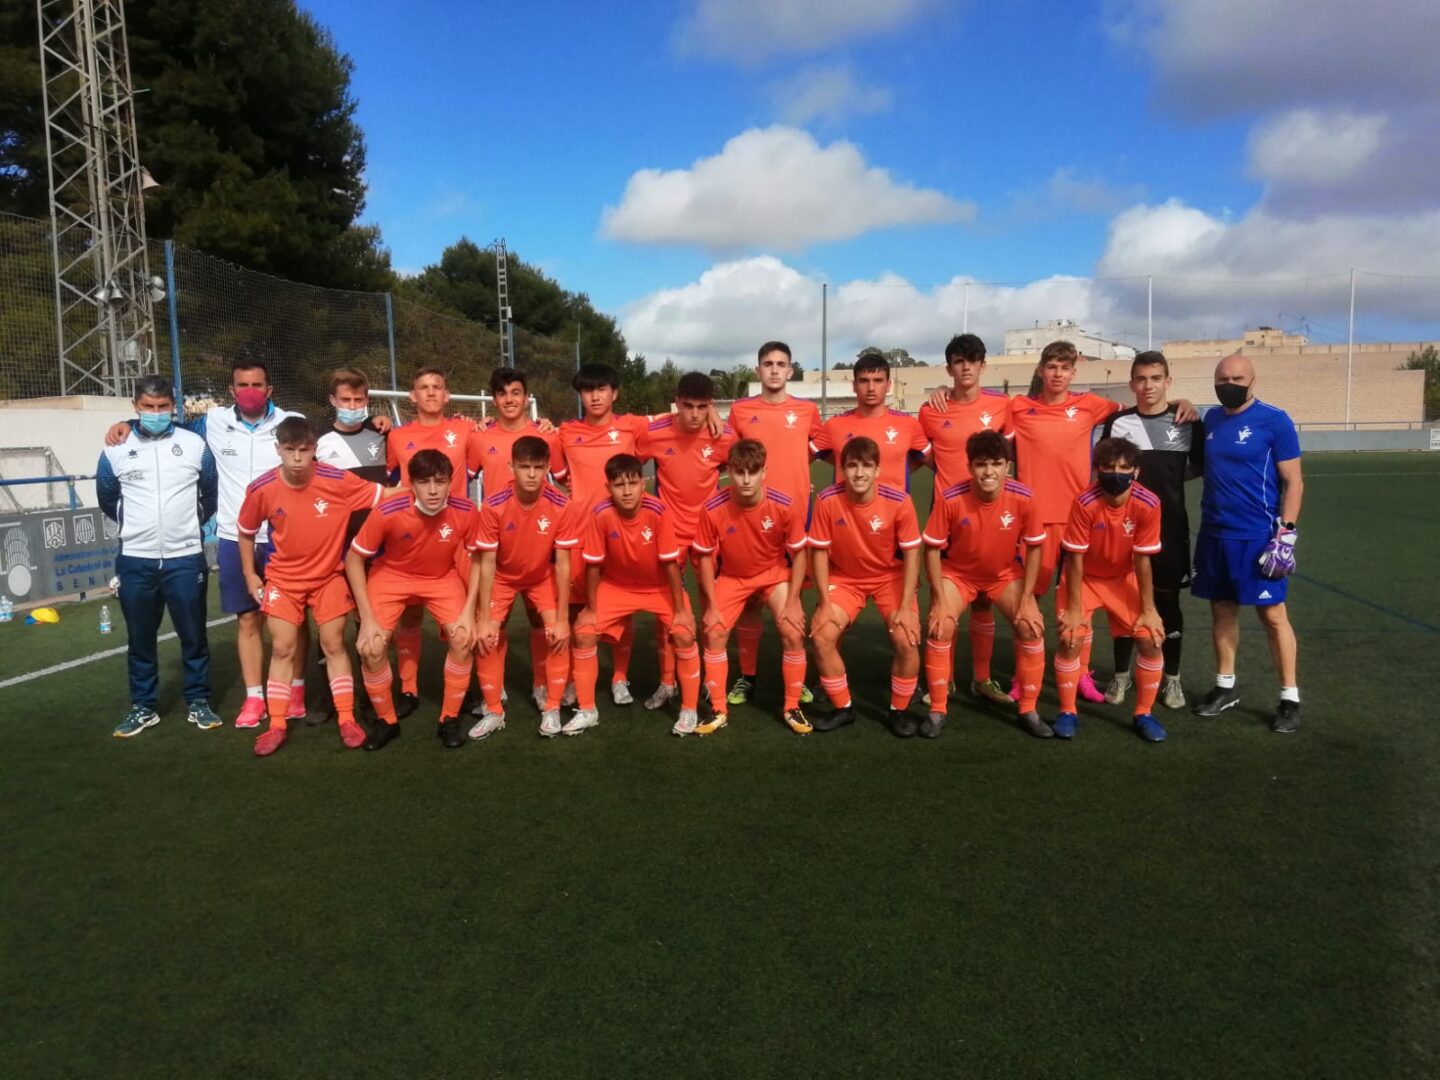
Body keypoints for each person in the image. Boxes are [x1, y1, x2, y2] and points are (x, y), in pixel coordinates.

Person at [105, 359, 319, 727]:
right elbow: (166, 433)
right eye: (242, 385)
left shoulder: (290, 421)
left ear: (270, 390)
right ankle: (254, 699)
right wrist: (127, 426)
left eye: (256, 384)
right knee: (247, 619)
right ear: (231, 389)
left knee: (295, 620)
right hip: (238, 538)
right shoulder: (212, 423)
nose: (249, 391)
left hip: (287, 537)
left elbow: (319, 454)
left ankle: (295, 689)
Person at [236, 417, 384, 756]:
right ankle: (277, 725)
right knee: (284, 648)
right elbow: (245, 530)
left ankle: (346, 718)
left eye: (304, 450)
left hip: (328, 577)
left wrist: (426, 488)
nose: (298, 458)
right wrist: (250, 575)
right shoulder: (261, 488)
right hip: (283, 581)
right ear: (278, 450)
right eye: (290, 450)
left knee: (333, 644)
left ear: (315, 450)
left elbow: (384, 493)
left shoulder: (337, 480)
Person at [97, 375, 219, 738]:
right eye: (148, 408)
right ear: (135, 407)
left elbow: (208, 493)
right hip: (136, 558)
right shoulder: (114, 448)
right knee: (140, 638)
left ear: (173, 407)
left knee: (193, 635)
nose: (155, 414)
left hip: (185, 557)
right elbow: (107, 497)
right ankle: (143, 706)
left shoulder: (195, 444)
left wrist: (187, 527)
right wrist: (137, 528)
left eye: (162, 407)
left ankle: (198, 701)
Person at [1191, 355, 1304, 733]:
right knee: (1222, 611)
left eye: (1237, 377)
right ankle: (1226, 686)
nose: (1229, 383)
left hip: (1257, 537)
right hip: (1214, 533)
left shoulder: (1275, 420)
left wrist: (1286, 533)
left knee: (1273, 617)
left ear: (1252, 379)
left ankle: (1289, 697)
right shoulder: (1210, 419)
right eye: (1222, 377)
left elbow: (1294, 481)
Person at [345, 449, 481, 752]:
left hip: (441, 578)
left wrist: (470, 611)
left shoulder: (466, 510)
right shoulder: (388, 509)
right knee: (372, 646)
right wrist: (366, 620)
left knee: (463, 638)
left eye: (440, 481)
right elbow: (354, 560)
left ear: (450, 482)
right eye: (424, 482)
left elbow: (480, 561)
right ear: (411, 483)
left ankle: (449, 717)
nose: (432, 491)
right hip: (391, 576)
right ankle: (386, 721)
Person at [921, 431, 1051, 739]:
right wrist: (939, 598)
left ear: (1008, 466)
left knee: (1031, 627)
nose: (989, 472)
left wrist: (1028, 597)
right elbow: (933, 549)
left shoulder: (1024, 497)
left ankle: (1028, 710)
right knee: (939, 627)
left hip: (1003, 574)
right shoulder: (950, 498)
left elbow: (1034, 547)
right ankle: (938, 709)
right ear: (969, 467)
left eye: (996, 463)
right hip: (958, 574)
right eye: (981, 464)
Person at [1098, 351, 1203, 709]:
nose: (1148, 386)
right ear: (1132, 384)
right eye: (1141, 379)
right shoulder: (1118, 424)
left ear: (1167, 382)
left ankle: (1171, 679)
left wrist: (1168, 485)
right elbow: (1107, 472)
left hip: (1170, 528)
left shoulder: (1186, 421)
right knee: (1124, 602)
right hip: (1124, 528)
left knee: (1168, 601)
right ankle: (1120, 674)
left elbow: (1198, 466)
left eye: (1156, 378)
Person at [568, 454, 701, 736]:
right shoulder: (600, 514)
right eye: (619, 485)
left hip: (659, 587)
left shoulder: (658, 511)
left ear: (644, 483)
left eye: (632, 483)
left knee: (684, 633)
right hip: (617, 586)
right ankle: (588, 709)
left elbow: (670, 563)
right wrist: (591, 608)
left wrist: (680, 610)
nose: (626, 491)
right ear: (608, 487)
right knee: (583, 632)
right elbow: (593, 564)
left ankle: (689, 710)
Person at [916, 333, 1016, 707]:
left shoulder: (1003, 406)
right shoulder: (931, 411)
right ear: (949, 368)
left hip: (991, 518)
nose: (966, 368)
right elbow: (923, 455)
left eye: (972, 361)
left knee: (984, 600)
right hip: (948, 520)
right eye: (959, 361)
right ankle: (942, 680)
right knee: (941, 602)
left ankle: (982, 678)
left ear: (983, 366)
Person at [1052, 437, 1169, 742]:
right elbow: (1074, 558)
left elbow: (1143, 559)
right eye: (1107, 467)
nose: (1115, 473)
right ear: (1097, 469)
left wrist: (1148, 609)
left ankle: (1144, 713)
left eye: (1123, 468)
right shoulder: (1084, 502)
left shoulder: (1149, 503)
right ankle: (1067, 711)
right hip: (1085, 578)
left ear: (1136, 472)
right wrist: (1076, 609)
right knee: (1070, 638)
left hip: (1122, 578)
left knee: (1152, 641)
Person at [724, 341, 822, 707]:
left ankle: (798, 680)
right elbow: (732, 457)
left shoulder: (807, 410)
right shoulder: (740, 411)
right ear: (758, 370)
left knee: (792, 603)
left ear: (791, 370)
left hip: (794, 519)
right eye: (768, 364)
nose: (775, 370)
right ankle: (747, 675)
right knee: (750, 601)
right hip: (749, 521)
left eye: (782, 364)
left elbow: (819, 448)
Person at [691, 439, 809, 735]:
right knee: (714, 631)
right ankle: (718, 709)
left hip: (774, 574)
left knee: (793, 630)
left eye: (752, 472)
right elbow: (705, 558)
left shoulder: (784, 505)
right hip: (733, 577)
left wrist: (794, 600)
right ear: (729, 471)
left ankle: (792, 706)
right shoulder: (713, 507)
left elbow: (799, 554)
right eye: (739, 472)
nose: (745, 479)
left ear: (763, 472)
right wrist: (711, 606)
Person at [807, 437, 924, 735]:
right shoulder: (827, 499)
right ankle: (842, 707)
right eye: (852, 466)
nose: (859, 473)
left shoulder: (899, 501)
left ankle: (899, 709)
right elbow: (818, 552)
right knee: (822, 636)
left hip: (890, 578)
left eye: (866, 466)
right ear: (842, 469)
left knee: (907, 639)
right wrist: (823, 602)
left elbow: (912, 553)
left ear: (878, 470)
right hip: (845, 579)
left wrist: (908, 606)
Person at [469, 367, 569, 714]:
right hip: (496, 544)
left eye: (516, 393)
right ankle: (493, 691)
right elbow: (460, 478)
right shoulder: (478, 437)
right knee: (492, 622)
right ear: (493, 399)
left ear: (527, 397)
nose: (509, 400)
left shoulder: (547, 436)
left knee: (541, 620)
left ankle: (542, 685)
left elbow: (566, 480)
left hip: (537, 545)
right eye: (502, 394)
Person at [384, 367, 483, 716]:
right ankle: (409, 690)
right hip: (411, 540)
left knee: (461, 620)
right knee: (410, 616)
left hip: (456, 538)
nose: (430, 392)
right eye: (423, 387)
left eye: (436, 387)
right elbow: (393, 482)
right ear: (412, 396)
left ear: (446, 395)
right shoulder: (396, 436)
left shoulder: (466, 429)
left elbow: (485, 458)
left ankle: (465, 689)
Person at [556, 363, 655, 706]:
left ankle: (619, 677)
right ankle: (571, 678)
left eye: (601, 389)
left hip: (620, 534)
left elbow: (671, 426)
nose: (594, 396)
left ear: (615, 393)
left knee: (621, 609)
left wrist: (717, 418)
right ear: (580, 394)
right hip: (579, 535)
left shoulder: (632, 427)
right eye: (587, 390)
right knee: (574, 611)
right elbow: (557, 472)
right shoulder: (565, 432)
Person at [471, 436, 582, 739]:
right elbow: (487, 563)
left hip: (540, 577)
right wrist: (482, 618)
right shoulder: (493, 505)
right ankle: (494, 710)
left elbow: (562, 564)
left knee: (557, 634)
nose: (531, 474)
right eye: (524, 467)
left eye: (537, 467)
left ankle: (552, 707)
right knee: (487, 637)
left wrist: (560, 618)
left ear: (547, 467)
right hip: (503, 578)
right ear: (511, 467)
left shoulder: (561, 504)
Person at [636, 371, 734, 711]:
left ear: (710, 406)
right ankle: (667, 682)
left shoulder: (722, 435)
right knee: (668, 612)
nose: (694, 414)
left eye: (702, 407)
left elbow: (751, 463)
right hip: (669, 533)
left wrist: (715, 417)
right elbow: (629, 458)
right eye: (688, 406)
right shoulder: (655, 432)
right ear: (676, 402)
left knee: (712, 608)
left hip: (710, 534)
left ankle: (710, 680)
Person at [810, 352, 930, 491]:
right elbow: (800, 459)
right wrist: (803, 480)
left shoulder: (909, 424)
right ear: (854, 385)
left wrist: (900, 470)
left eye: (878, 380)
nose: (871, 388)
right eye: (864, 381)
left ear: (889, 385)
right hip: (846, 511)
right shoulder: (834, 425)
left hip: (894, 511)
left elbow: (936, 462)